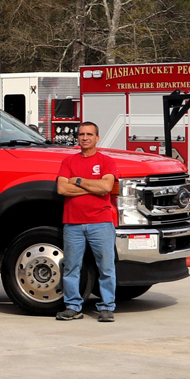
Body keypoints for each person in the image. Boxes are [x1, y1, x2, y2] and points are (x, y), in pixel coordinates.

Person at [55, 122, 119, 322]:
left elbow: (106, 187)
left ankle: (107, 307)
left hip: (101, 222)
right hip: (72, 223)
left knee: (106, 268)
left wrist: (78, 181)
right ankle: (73, 306)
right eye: (81, 134)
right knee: (71, 267)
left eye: (89, 134)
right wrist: (94, 186)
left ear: (97, 138)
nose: (85, 137)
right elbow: (62, 189)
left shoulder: (106, 161)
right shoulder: (68, 161)